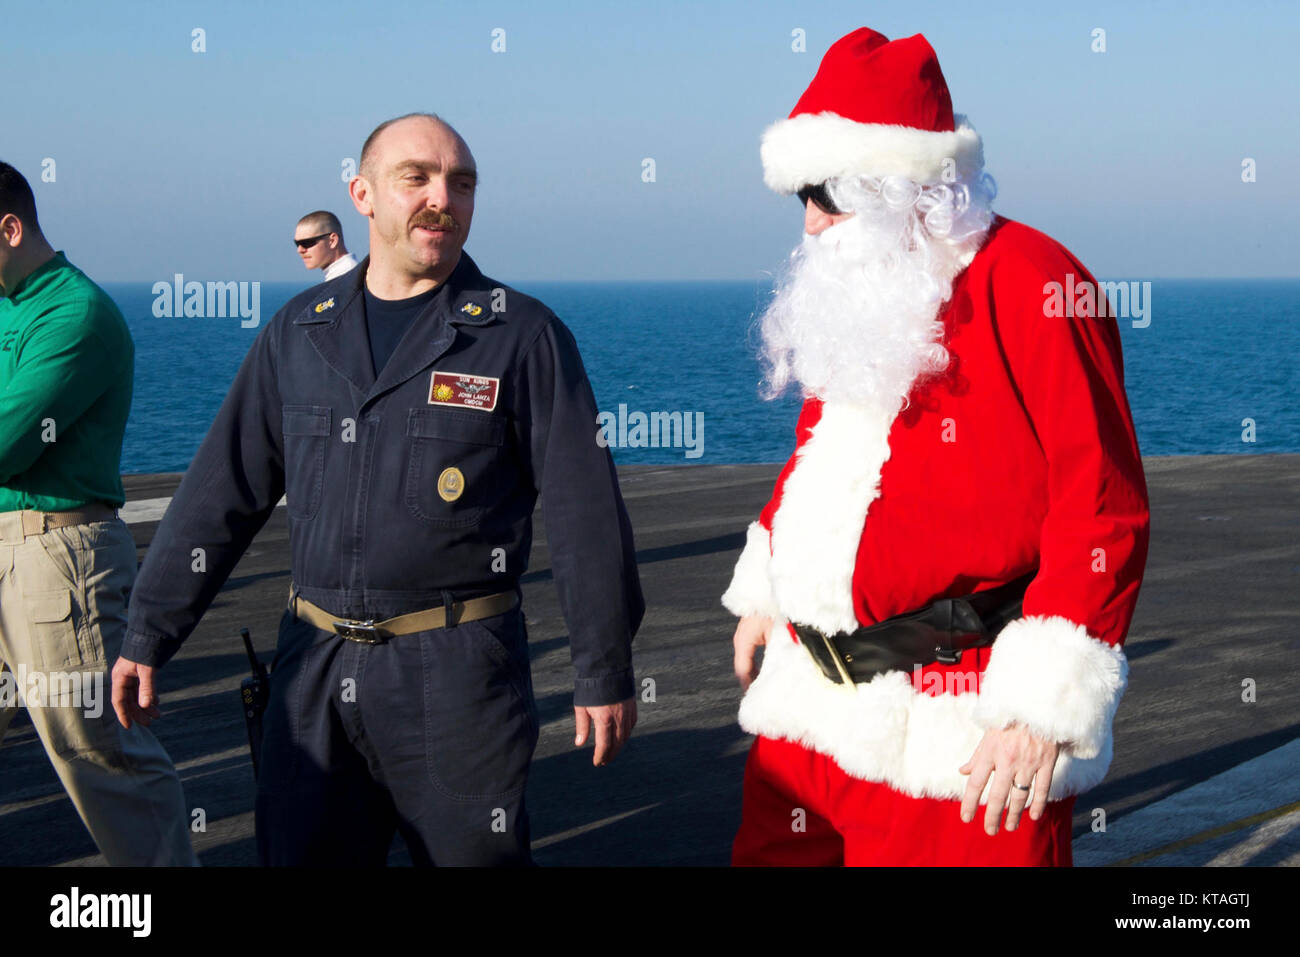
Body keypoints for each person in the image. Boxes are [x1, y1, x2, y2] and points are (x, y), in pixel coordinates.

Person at [111, 113, 643, 866]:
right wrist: (149, 631)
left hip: (458, 675)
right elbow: (221, 486)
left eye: (462, 183)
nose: (442, 198)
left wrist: (603, 666)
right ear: (362, 194)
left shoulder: (519, 336)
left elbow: (585, 509)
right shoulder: (299, 333)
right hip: (313, 668)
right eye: (416, 178)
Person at [723, 28, 1150, 866]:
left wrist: (1040, 710)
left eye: (828, 192)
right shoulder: (865, 286)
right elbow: (825, 455)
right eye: (799, 194)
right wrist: (770, 589)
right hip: (808, 715)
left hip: (957, 740)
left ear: (906, 183)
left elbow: (1101, 502)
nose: (810, 222)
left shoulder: (1032, 281)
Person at [0, 160, 197, 866]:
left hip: (55, 557)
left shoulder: (75, 313)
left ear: (10, 228)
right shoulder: (10, 301)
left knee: (100, 754)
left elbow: (6, 441)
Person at [294, 210, 357, 280]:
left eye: (307, 243)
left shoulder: (348, 278)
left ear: (332, 241)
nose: (299, 250)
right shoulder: (348, 274)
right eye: (297, 243)